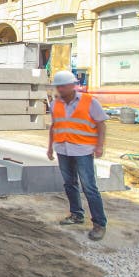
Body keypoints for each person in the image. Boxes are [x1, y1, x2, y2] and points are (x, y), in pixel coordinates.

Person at [46, 70, 109, 241]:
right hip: (63, 149)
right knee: (69, 183)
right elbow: (54, 126)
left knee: (89, 186)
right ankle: (76, 214)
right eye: (58, 86)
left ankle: (99, 223)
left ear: (72, 85)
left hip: (83, 150)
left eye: (63, 86)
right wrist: (50, 147)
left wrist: (99, 146)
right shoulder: (54, 104)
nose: (60, 89)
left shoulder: (90, 102)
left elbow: (101, 124)